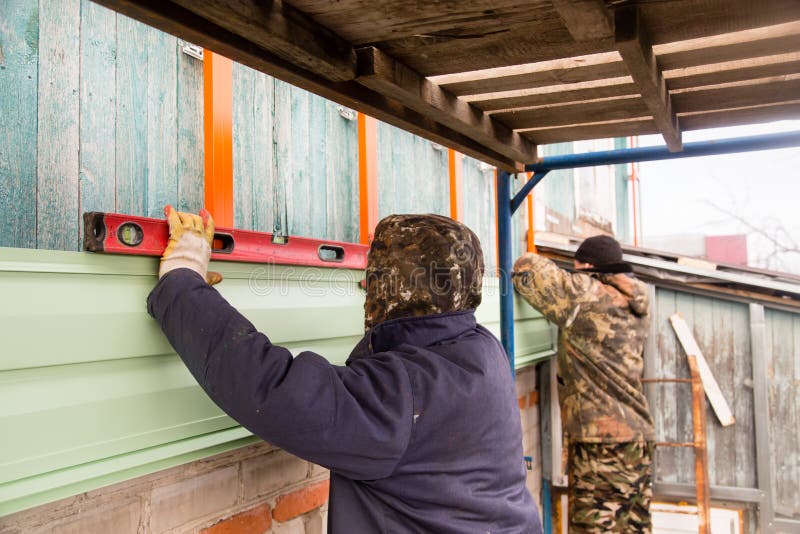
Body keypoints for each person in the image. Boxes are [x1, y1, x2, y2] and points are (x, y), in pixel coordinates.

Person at [147, 206, 543, 533]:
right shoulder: (481, 348)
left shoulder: (403, 394)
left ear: (389, 288)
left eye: (372, 279)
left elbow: (267, 386)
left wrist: (183, 279)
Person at [512, 235, 655, 533]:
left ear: (590, 268)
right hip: (636, 439)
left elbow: (526, 268)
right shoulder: (634, 300)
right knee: (632, 527)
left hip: (602, 444)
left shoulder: (592, 296)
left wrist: (578, 277)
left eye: (577, 270)